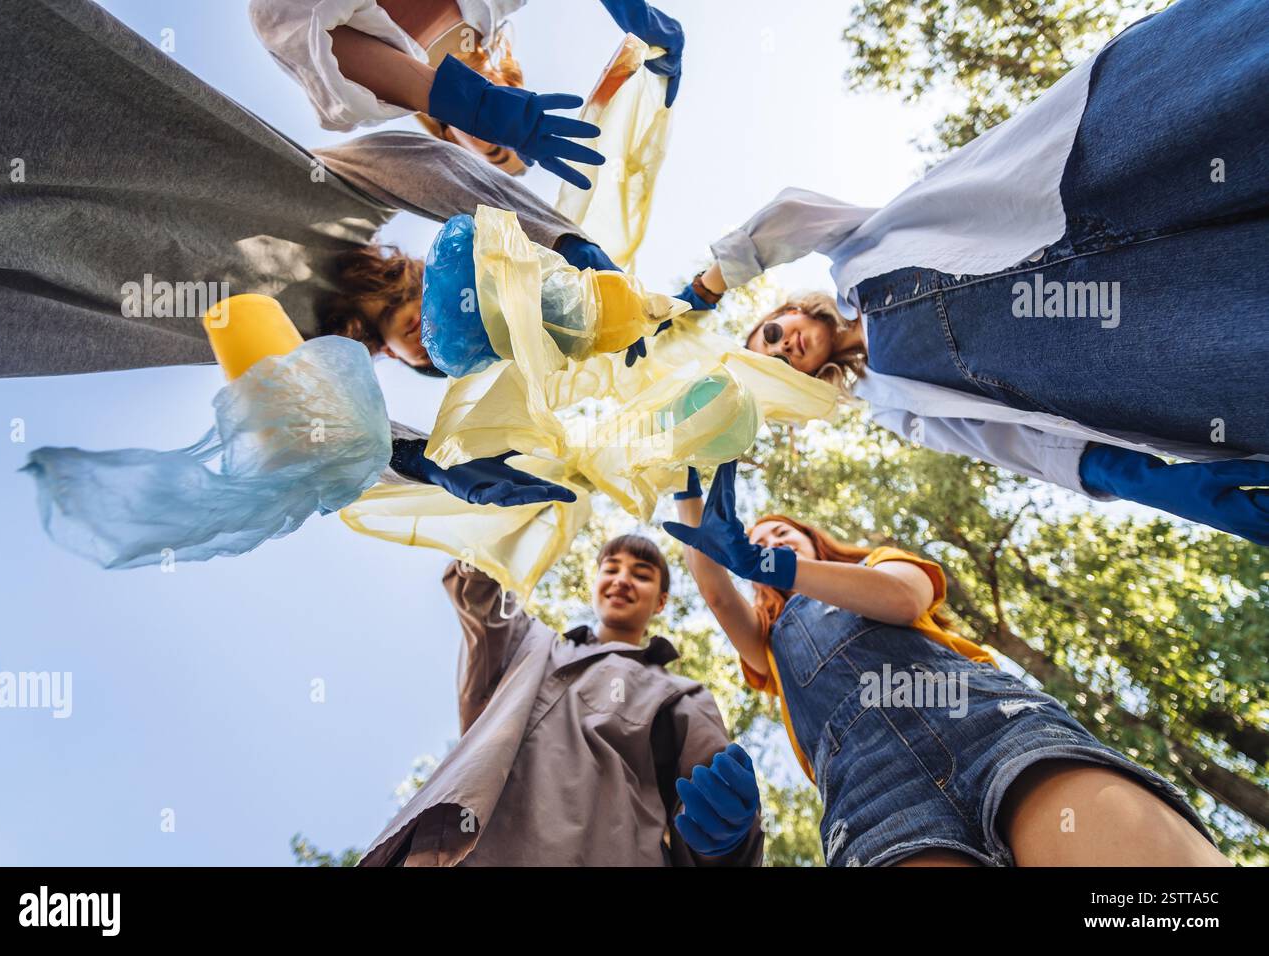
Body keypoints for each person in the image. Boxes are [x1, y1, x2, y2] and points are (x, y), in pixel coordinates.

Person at [662, 0, 1269, 545]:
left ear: (784, 312)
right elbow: (1011, 444)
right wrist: (1132, 477)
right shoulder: (890, 405)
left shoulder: (852, 252)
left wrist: (705, 289)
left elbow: (789, 217)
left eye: (771, 336)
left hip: (1088, 171)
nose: (785, 348)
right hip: (1137, 342)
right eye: (780, 366)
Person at [0, 0, 600, 506]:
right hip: (59, 120)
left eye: (428, 360)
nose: (427, 342)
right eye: (464, 316)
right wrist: (564, 241)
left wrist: (421, 459)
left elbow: (315, 436)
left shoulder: (307, 351)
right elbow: (434, 167)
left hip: (21, 268)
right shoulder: (352, 203)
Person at [663, 462, 1230, 867]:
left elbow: (903, 599)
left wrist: (770, 561)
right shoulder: (764, 640)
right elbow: (714, 589)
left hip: (986, 721)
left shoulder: (878, 563)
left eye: (782, 533)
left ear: (814, 540)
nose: (771, 540)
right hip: (867, 790)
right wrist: (690, 476)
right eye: (758, 542)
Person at [359, 534, 764, 866]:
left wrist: (731, 841)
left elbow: (705, 811)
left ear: (660, 601)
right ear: (594, 584)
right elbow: (479, 590)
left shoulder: (680, 693)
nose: (622, 579)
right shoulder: (527, 646)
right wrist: (501, 519)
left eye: (641, 574)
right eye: (611, 568)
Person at [249, 0, 685, 188]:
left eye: (494, 153)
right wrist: (635, 10)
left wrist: (471, 102)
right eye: (507, 147)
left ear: (451, 136)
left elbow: (278, 17)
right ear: (522, 91)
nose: (500, 139)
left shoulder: (362, 99)